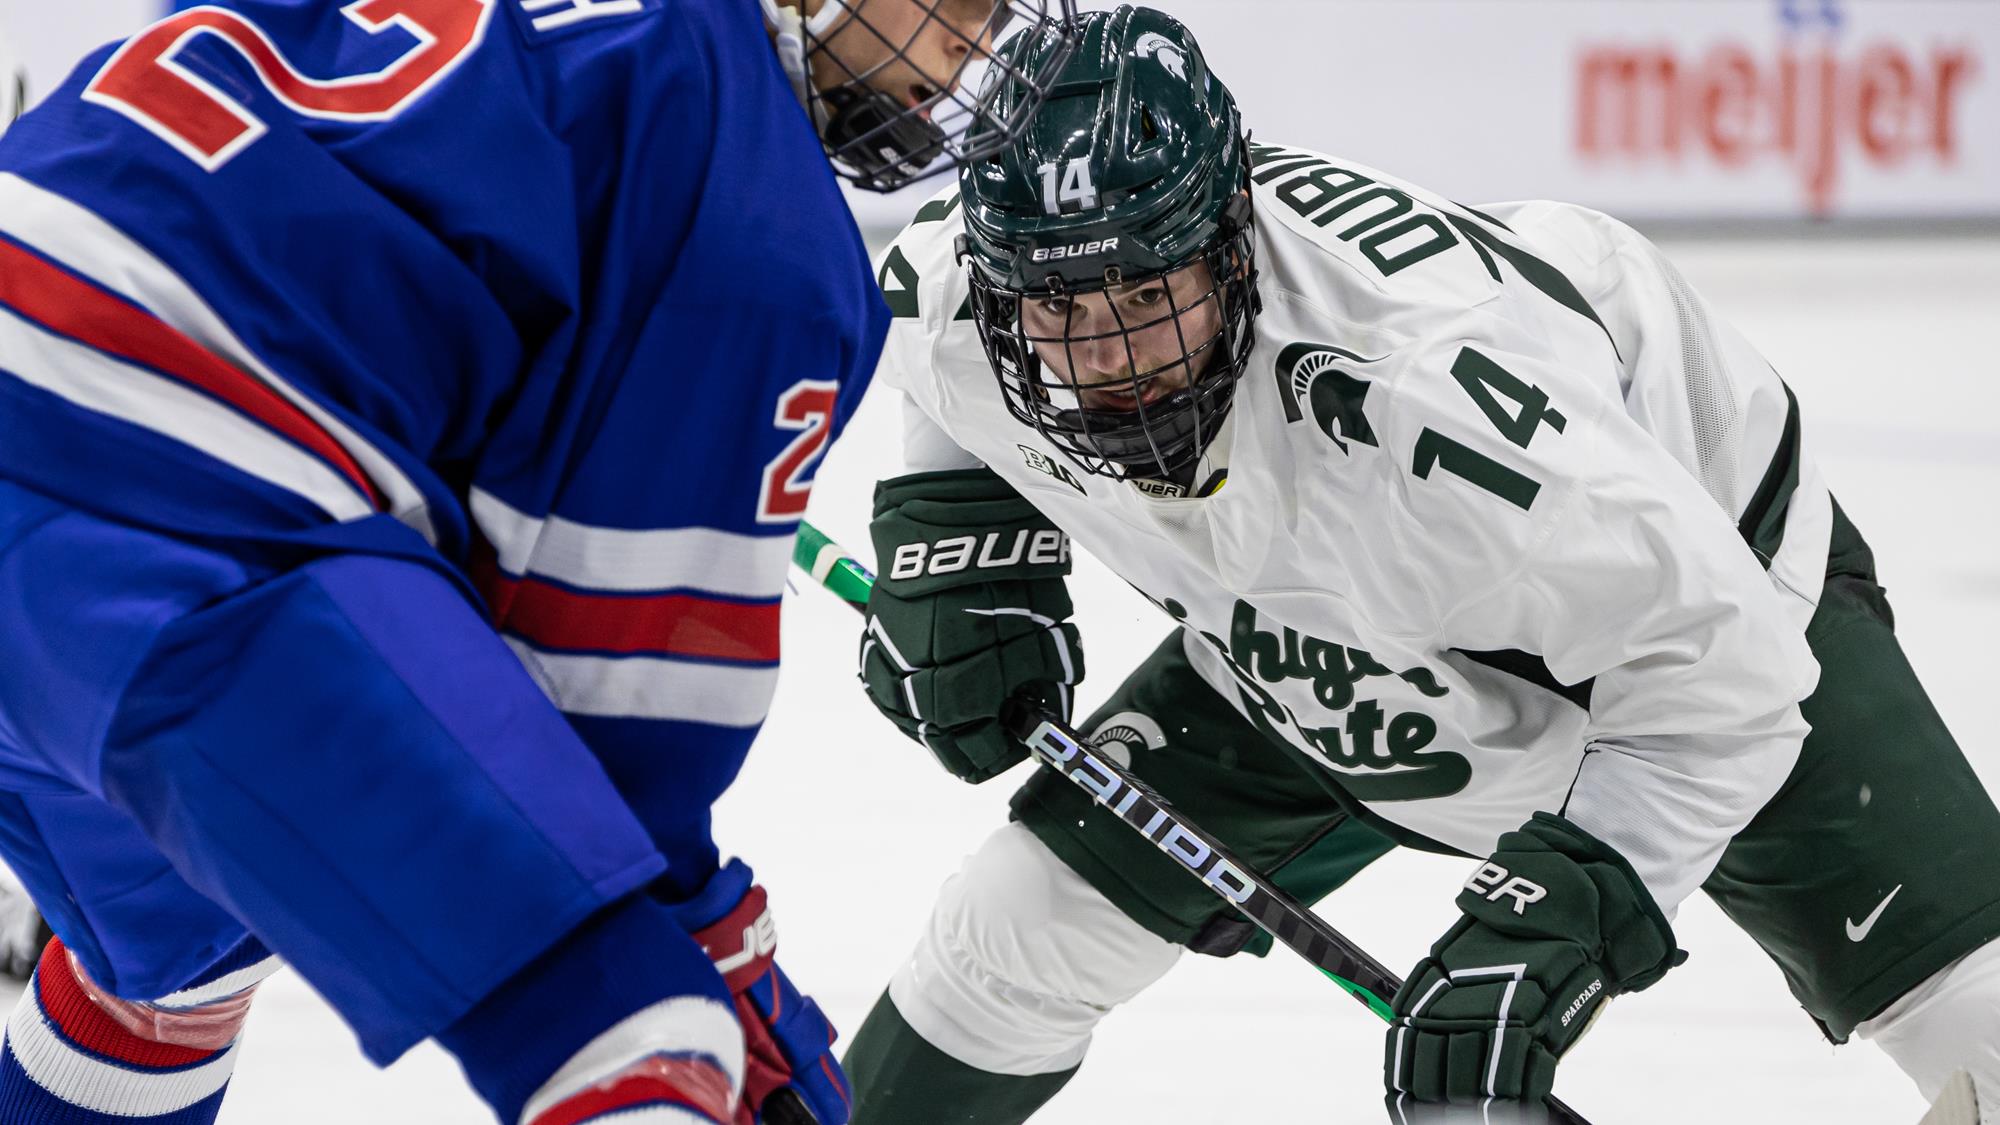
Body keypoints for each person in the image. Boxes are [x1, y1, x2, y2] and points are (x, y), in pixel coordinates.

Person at [844, 6, 2000, 1120]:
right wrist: (957, 545)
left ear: (1231, 247)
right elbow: (935, 356)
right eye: (1056, 310)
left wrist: (1567, 912)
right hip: (1298, 634)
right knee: (1008, 936)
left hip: (1698, 628)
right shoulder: (970, 286)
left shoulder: (1435, 402)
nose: (1106, 361)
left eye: (1148, 297)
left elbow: (1718, 675)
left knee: (1981, 1032)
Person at [0, 1, 1079, 1123]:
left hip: (74, 409)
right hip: (165, 513)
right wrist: (713, 955)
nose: (970, 40)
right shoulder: (744, 188)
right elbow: (606, 717)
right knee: (641, 1035)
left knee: (180, 954)